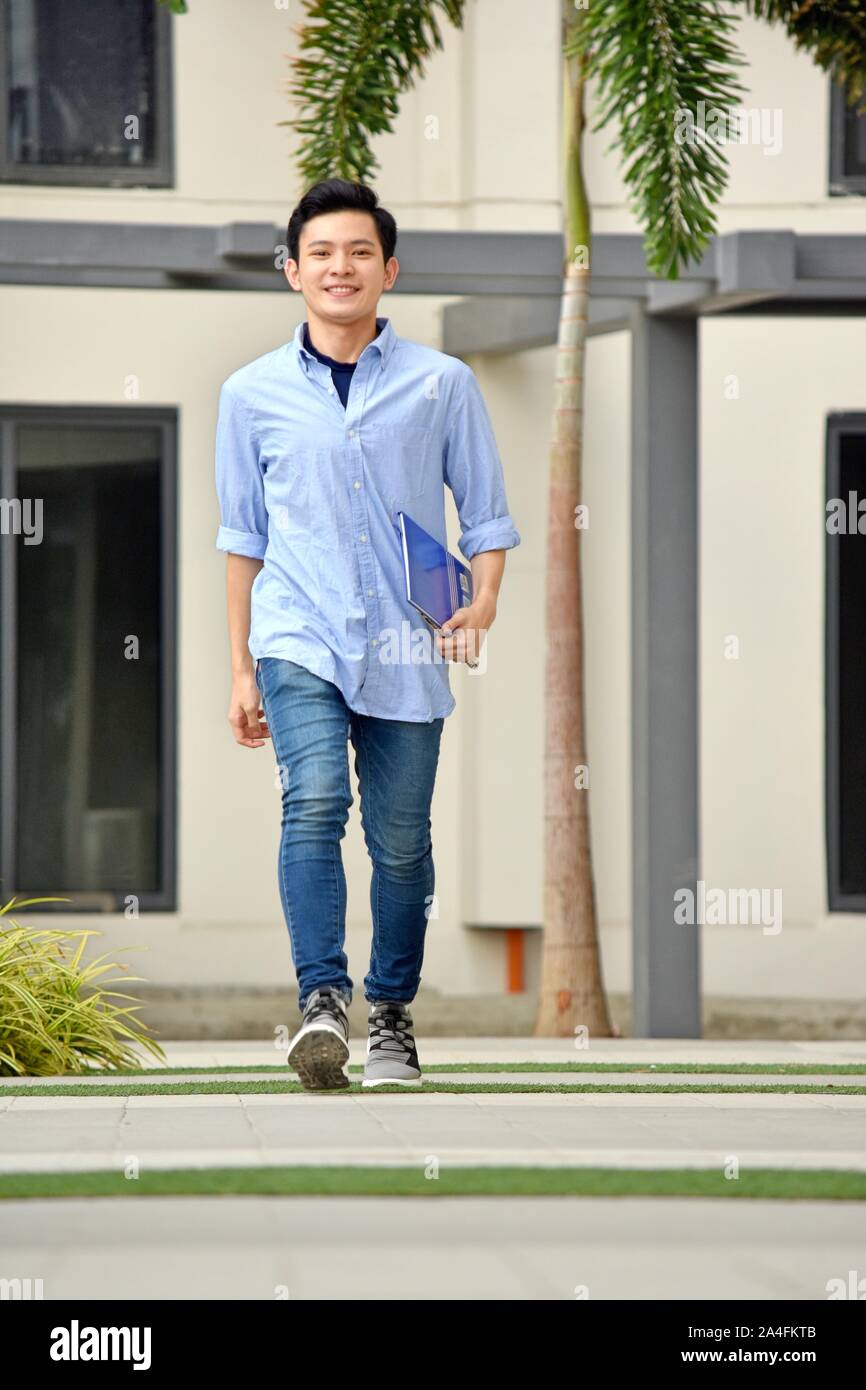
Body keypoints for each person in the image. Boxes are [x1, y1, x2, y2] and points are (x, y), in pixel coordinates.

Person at [214, 178, 520, 1092]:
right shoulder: (250, 395)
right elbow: (243, 540)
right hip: (298, 633)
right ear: (291, 272)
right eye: (320, 254)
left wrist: (485, 600)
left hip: (403, 645)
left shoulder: (442, 384)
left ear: (388, 270)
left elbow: (489, 517)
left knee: (401, 842)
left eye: (357, 253)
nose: (339, 268)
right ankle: (321, 1005)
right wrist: (240, 668)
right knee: (312, 802)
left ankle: (390, 1014)